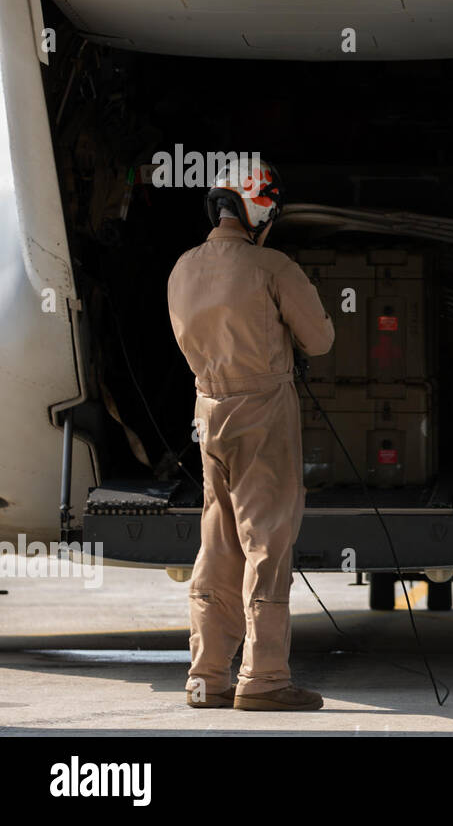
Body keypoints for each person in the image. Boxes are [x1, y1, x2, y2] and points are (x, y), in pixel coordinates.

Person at [168, 158, 334, 710]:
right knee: (266, 540)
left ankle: (207, 675)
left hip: (208, 408)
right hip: (263, 408)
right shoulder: (272, 266)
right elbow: (321, 338)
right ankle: (264, 680)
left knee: (217, 541)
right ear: (259, 204)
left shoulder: (182, 268)